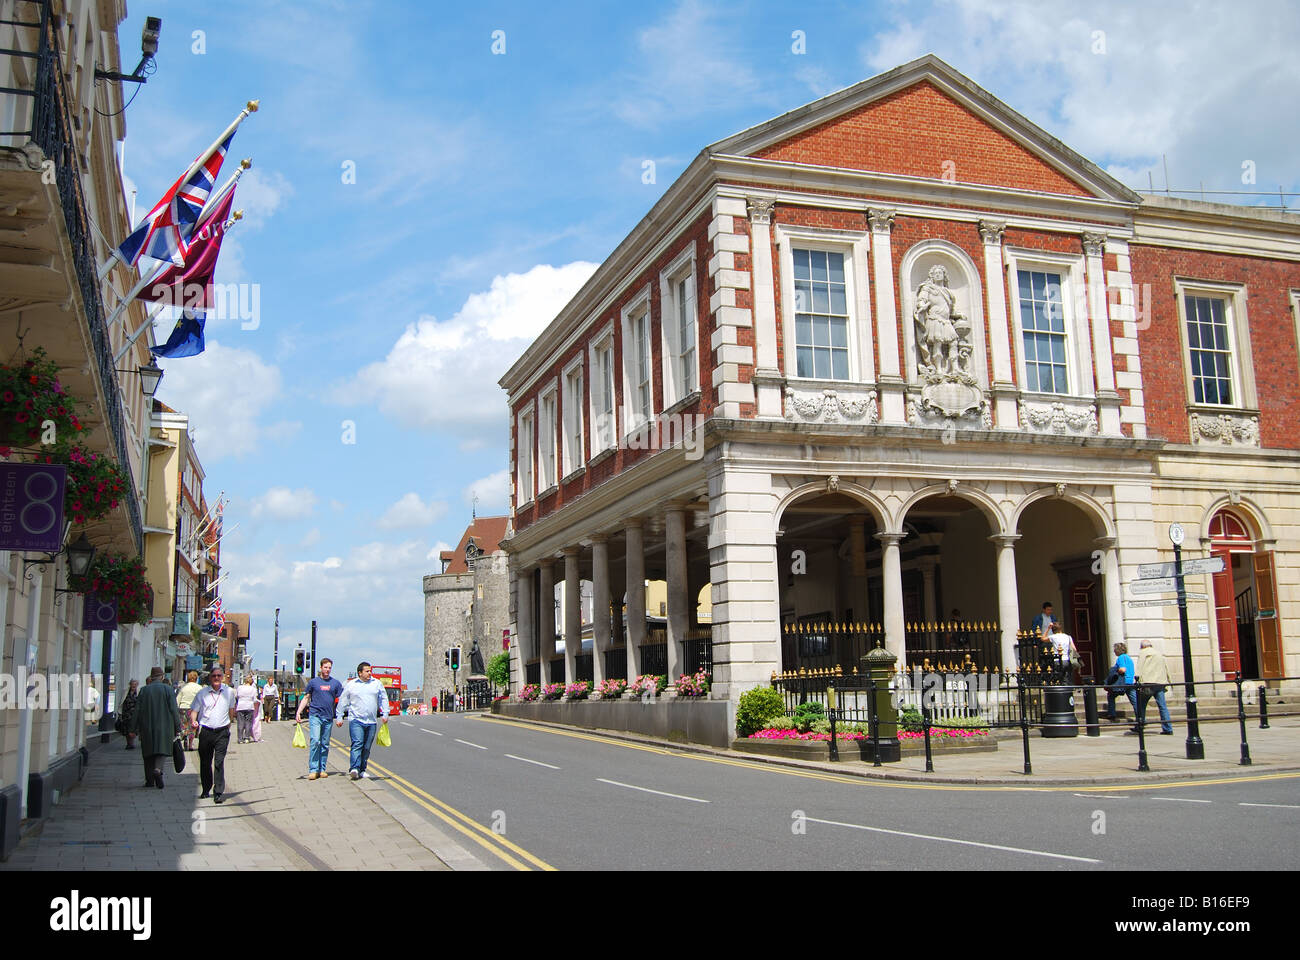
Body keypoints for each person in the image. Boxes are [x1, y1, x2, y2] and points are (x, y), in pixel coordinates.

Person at [188, 667, 238, 802]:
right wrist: (193, 721)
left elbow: (231, 709)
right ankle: (206, 788)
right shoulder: (202, 693)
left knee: (219, 761)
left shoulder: (228, 692)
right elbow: (194, 710)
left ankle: (218, 792)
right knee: (205, 762)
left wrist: (229, 723)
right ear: (210, 677)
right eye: (214, 676)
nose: (216, 678)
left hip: (222, 731)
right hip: (206, 730)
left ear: (222, 677)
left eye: (219, 676)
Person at [336, 662, 389, 780]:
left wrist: (385, 713)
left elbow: (383, 698)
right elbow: (343, 700)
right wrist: (339, 716)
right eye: (367, 671)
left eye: (370, 671)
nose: (370, 673)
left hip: (371, 721)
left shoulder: (376, 684)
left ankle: (362, 769)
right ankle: (354, 768)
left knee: (366, 747)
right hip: (356, 720)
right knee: (357, 743)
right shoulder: (352, 684)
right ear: (360, 673)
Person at [295, 658, 344, 781]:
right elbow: (306, 698)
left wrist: (340, 716)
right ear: (321, 668)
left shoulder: (335, 683)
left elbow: (342, 701)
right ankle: (313, 769)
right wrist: (299, 712)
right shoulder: (313, 682)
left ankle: (322, 769)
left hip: (328, 717)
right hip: (315, 715)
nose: (327, 670)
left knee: (325, 744)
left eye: (329, 668)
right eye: (325, 667)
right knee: (315, 741)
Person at [134, 667, 182, 789]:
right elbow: (173, 709)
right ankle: (157, 769)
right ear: (162, 677)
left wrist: (132, 728)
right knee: (162, 750)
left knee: (148, 753)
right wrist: (178, 726)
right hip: (165, 727)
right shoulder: (168, 689)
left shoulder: (144, 690)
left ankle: (149, 780)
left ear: (151, 677)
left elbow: (137, 711)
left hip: (147, 726)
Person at [1136, 639, 1175, 735]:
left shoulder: (1143, 653)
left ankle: (1140, 725)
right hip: (1160, 683)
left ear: (1142, 646)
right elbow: (1166, 667)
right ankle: (1168, 728)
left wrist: (1137, 679)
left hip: (1148, 683)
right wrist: (1170, 681)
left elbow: (1139, 667)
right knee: (1162, 706)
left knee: (1141, 705)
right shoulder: (1159, 654)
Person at [1105, 641, 1138, 721]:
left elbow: (1122, 669)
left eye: (1115, 649)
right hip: (1130, 682)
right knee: (1135, 702)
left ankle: (1112, 714)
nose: (1114, 651)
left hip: (1123, 682)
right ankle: (1140, 717)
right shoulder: (1129, 658)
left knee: (1111, 696)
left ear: (1118, 650)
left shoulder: (1121, 658)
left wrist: (1115, 672)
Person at [176, 671, 203, 750]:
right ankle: (190, 745)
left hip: (183, 708)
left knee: (184, 726)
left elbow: (177, 700)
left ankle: (184, 738)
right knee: (193, 727)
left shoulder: (184, 688)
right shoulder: (199, 688)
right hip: (194, 710)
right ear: (196, 678)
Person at [235, 676, 258, 743]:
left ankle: (240, 739)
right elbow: (255, 699)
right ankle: (247, 738)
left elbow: (237, 696)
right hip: (249, 706)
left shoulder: (240, 687)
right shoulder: (253, 689)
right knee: (248, 723)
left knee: (240, 723)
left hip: (241, 706)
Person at [118, 679, 140, 749]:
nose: (133, 685)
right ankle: (129, 743)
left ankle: (131, 743)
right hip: (126, 713)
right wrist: (120, 713)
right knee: (127, 729)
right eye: (132, 684)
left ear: (137, 685)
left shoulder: (139, 692)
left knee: (133, 729)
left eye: (135, 684)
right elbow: (122, 701)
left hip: (135, 714)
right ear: (130, 684)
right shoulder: (125, 692)